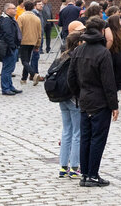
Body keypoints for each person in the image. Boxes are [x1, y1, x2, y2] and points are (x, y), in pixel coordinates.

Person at [70, 17, 119, 188]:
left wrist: (79, 93)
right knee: (97, 138)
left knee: (85, 137)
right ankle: (92, 174)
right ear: (101, 31)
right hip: (100, 102)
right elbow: (109, 82)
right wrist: (114, 105)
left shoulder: (78, 50)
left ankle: (85, 174)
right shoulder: (103, 52)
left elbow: (71, 78)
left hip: (84, 99)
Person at [47, 32, 82, 180]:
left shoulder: (62, 57)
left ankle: (63, 166)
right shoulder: (75, 58)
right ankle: (74, 167)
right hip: (73, 98)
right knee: (77, 133)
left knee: (66, 131)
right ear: (78, 43)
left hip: (61, 98)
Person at [0, 0, 22, 95]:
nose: (15, 10)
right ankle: (6, 88)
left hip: (12, 47)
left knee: (10, 68)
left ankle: (10, 86)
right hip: (9, 48)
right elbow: (8, 35)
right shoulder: (6, 20)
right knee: (7, 69)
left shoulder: (9, 19)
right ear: (7, 10)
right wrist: (13, 46)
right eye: (13, 8)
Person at [19, 0, 43, 84]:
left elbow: (19, 31)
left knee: (24, 61)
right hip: (33, 41)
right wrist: (38, 45)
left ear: (24, 7)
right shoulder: (37, 19)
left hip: (23, 42)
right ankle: (24, 78)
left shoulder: (21, 17)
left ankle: (33, 74)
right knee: (27, 60)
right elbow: (39, 32)